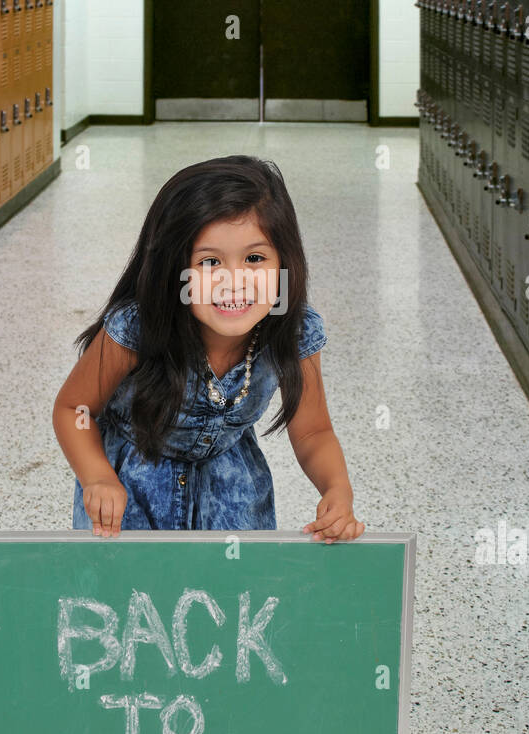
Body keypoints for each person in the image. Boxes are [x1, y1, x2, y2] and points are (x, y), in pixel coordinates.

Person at [52, 154, 365, 542]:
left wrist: (337, 489)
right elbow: (74, 409)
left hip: (233, 499)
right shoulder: (138, 328)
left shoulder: (294, 331)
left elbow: (314, 432)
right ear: (174, 270)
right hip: (130, 500)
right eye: (210, 262)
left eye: (254, 258)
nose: (233, 282)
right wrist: (97, 476)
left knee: (230, 597)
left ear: (284, 263)